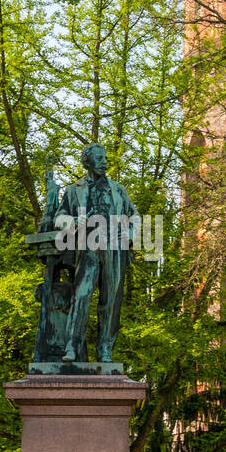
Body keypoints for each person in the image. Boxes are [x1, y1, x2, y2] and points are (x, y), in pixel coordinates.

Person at [55, 143, 136, 363]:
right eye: (99, 159)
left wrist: (130, 233)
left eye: (105, 158)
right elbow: (59, 217)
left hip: (114, 249)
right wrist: (73, 221)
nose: (104, 162)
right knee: (81, 296)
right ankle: (72, 346)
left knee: (111, 301)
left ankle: (105, 350)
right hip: (88, 247)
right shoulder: (74, 190)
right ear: (87, 162)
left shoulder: (118, 190)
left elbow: (135, 216)